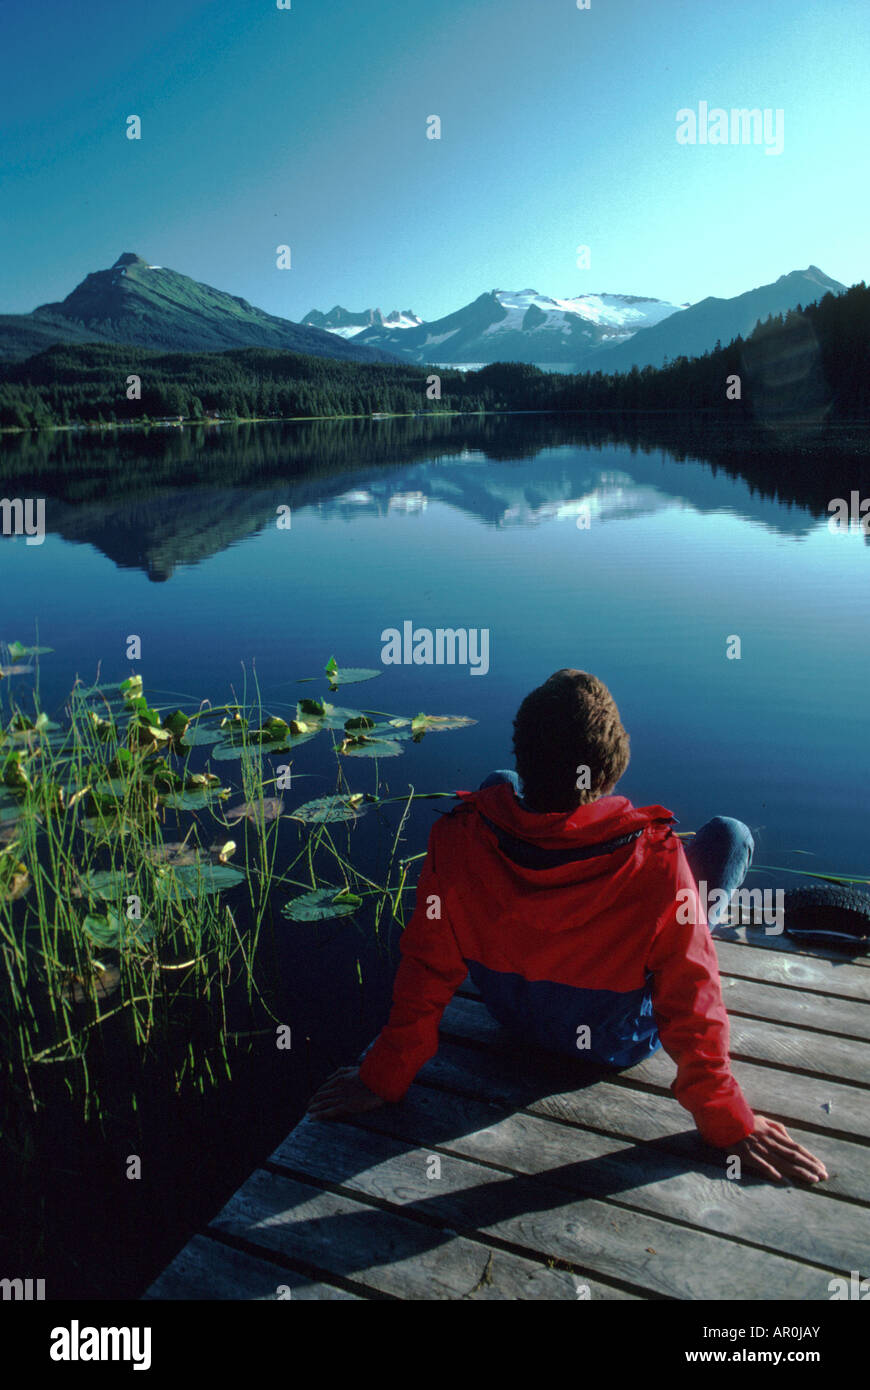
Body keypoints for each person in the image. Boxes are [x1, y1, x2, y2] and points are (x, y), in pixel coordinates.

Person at [309, 669, 828, 1184]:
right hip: (612, 1041)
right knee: (730, 837)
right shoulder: (659, 863)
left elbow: (426, 966)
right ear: (613, 769)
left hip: (513, 1017)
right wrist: (727, 1120)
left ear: (523, 753)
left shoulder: (458, 837)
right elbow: (693, 999)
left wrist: (384, 1076)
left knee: (497, 790)